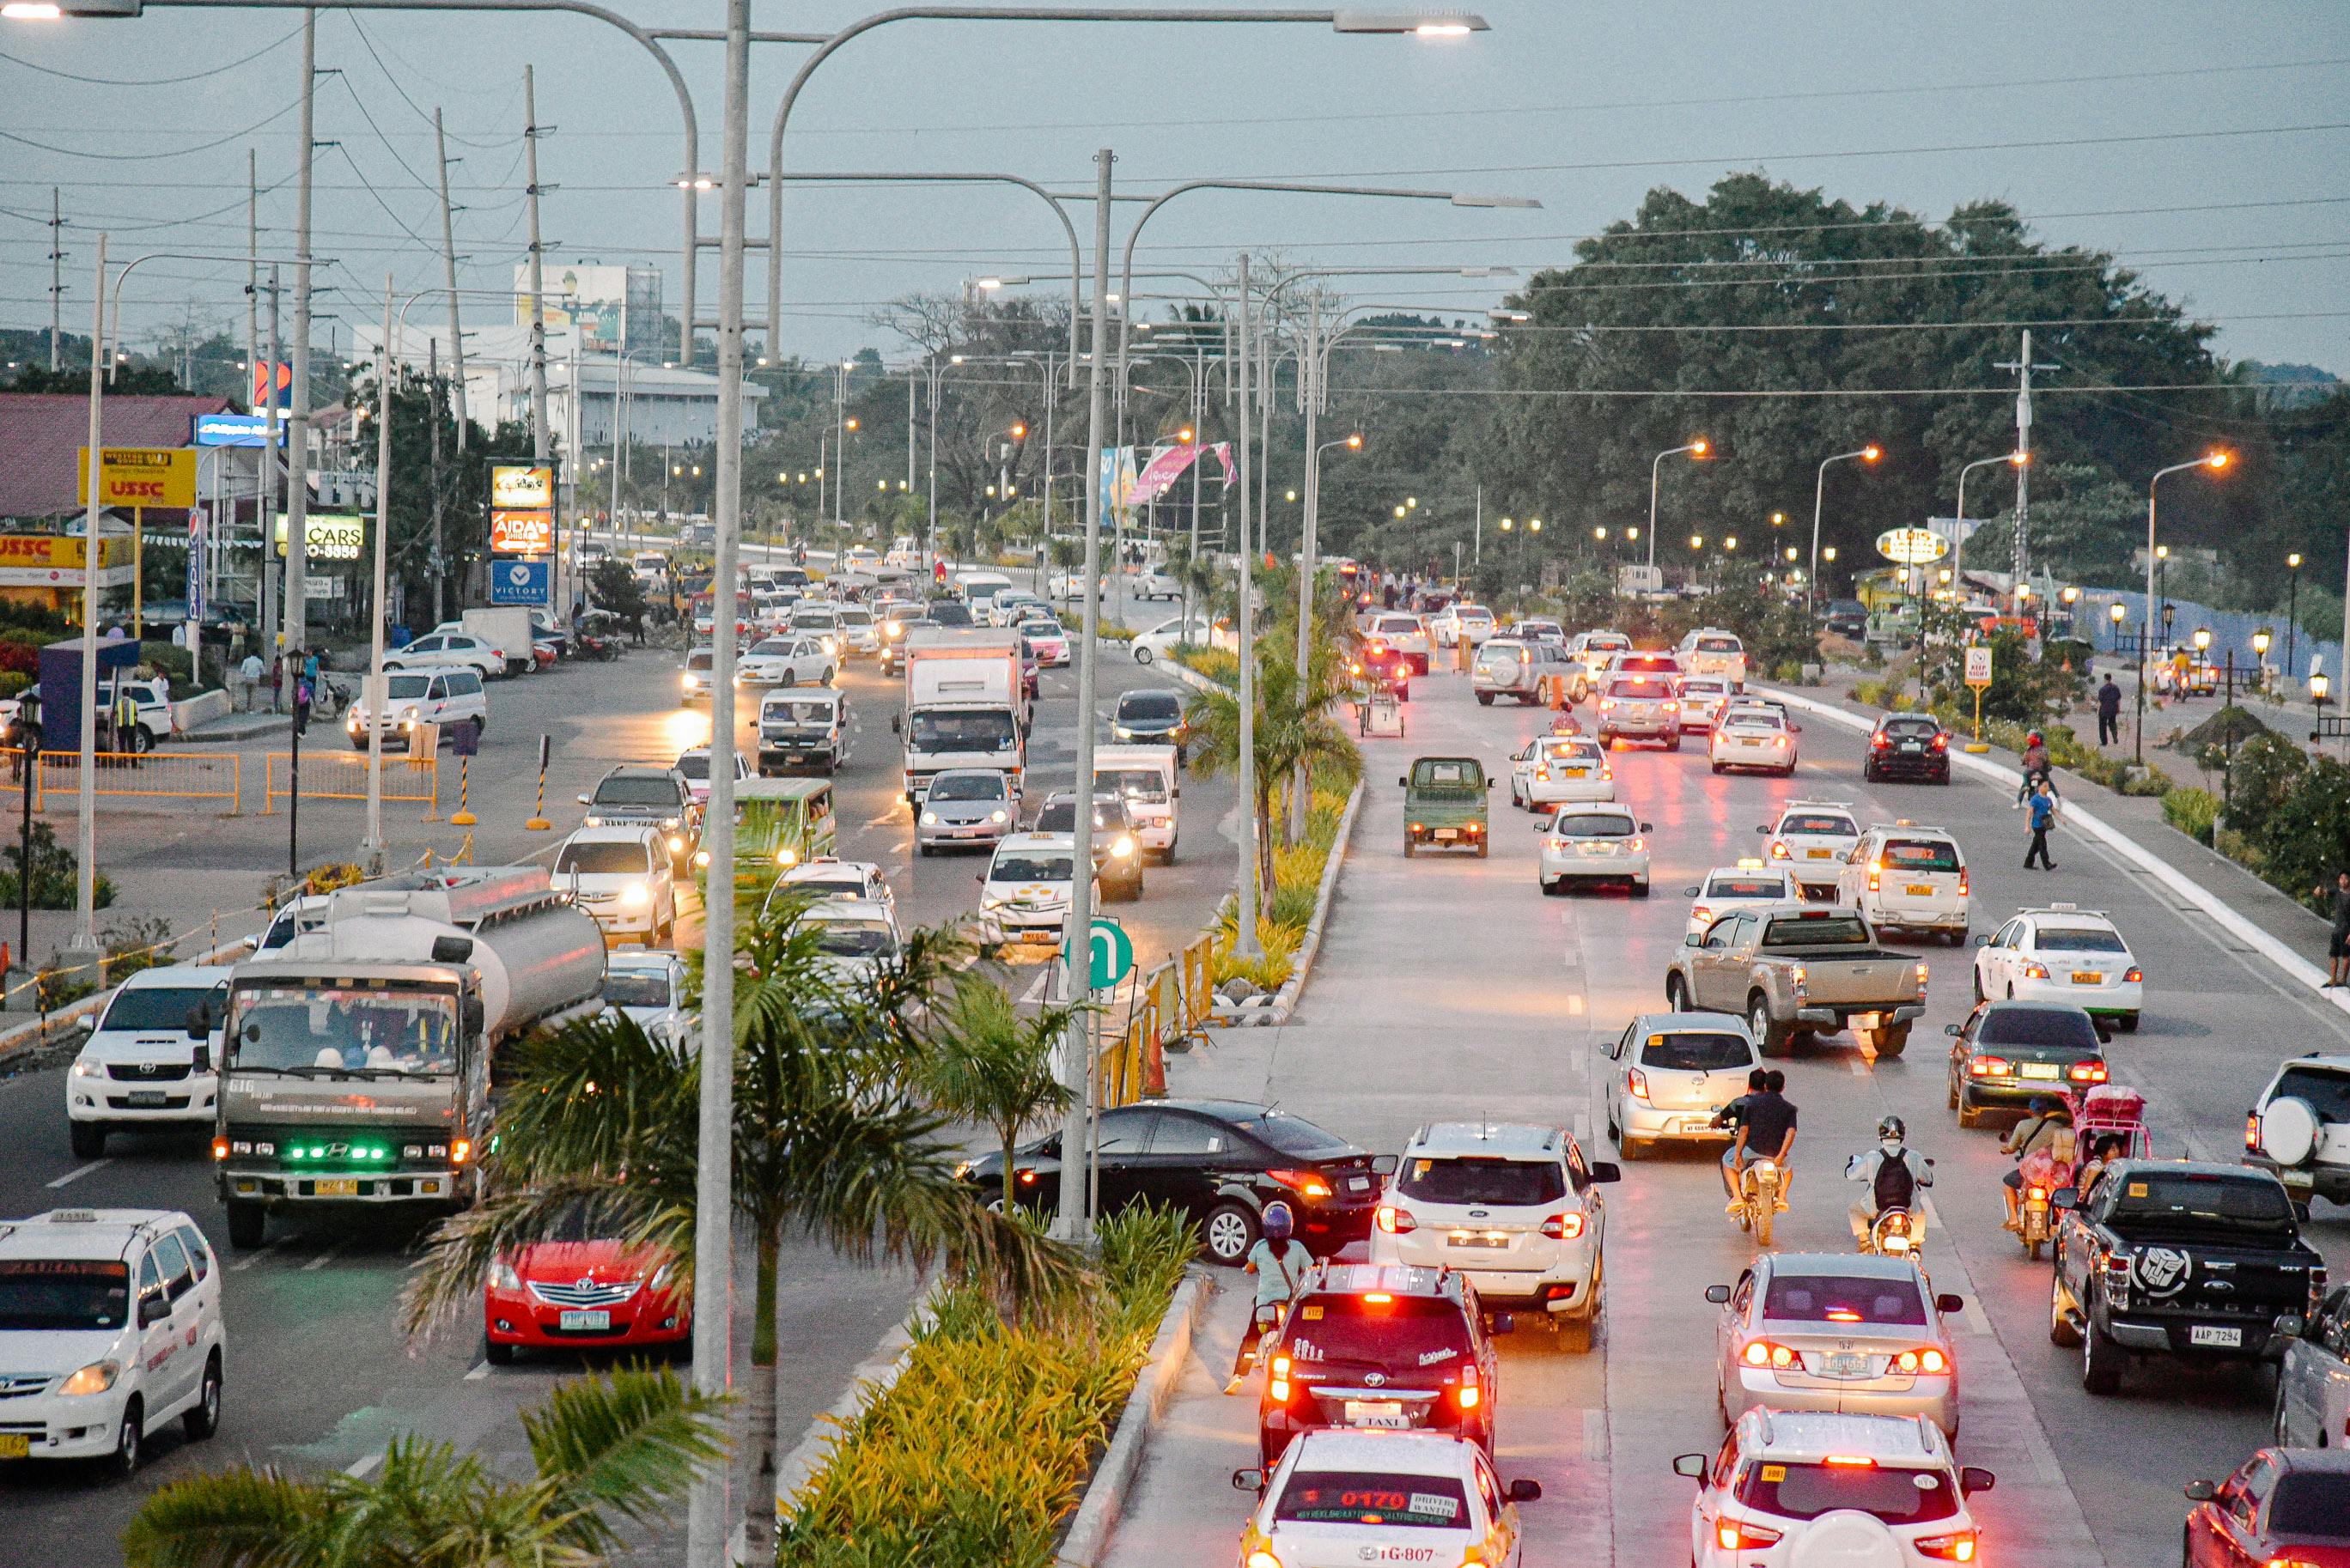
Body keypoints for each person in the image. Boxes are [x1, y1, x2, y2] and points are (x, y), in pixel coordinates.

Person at [1226, 1200, 1313, 1391]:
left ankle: (1237, 1376)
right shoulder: (1297, 1248)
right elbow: (1310, 1270)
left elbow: (1249, 1269)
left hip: (1264, 1305)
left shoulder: (1259, 1247)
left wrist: (1251, 1267)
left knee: (1251, 1337)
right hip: (1289, 1306)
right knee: (1294, 1339)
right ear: (1290, 1225)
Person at [1845, 1115, 1931, 1247]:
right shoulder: (1914, 1157)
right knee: (1920, 1213)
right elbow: (1928, 1180)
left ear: (1881, 1135)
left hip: (1876, 1208)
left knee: (1855, 1210)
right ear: (1902, 1134)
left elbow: (1851, 1175)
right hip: (1908, 1208)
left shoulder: (1872, 1158)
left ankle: (1865, 1242)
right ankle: (1915, 1246)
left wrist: (1853, 1163)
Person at [1729, 1068, 1799, 1213]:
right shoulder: (1789, 1108)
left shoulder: (1752, 1104)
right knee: (1788, 1172)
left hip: (1752, 1151)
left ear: (1765, 1086)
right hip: (1775, 1155)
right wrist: (1781, 1155)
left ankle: (1737, 1197)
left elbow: (1743, 1131)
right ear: (1782, 1088)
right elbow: (1791, 1133)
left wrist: (1737, 1155)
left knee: (1727, 1163)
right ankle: (1782, 1198)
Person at [2000, 1099, 2074, 1228]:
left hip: (2030, 1172)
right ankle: (2057, 1220)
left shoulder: (2023, 1125)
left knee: (2008, 1184)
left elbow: (2012, 1148)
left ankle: (2013, 1218)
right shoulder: (2057, 1126)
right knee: (2059, 1193)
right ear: (2047, 1112)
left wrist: (2005, 1149)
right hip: (2051, 1173)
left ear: (2030, 1111)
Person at [1713, 1068, 1769, 1202]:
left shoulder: (1739, 1103)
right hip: (1770, 1147)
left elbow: (1718, 1119)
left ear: (1749, 1085)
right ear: (1766, 1086)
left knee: (1726, 1161)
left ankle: (1735, 1196)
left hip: (1746, 1147)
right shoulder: (1772, 1104)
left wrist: (1714, 1123)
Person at [2075, 1133, 2128, 1204]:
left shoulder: (2110, 1165)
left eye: (2117, 1148)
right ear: (2103, 1153)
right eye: (2113, 1149)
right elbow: (2087, 1190)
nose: (2117, 1152)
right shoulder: (2095, 1166)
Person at [2318, 870, 2350, 988]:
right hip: (2337, 929)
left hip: (2347, 930)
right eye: (2341, 878)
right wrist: (2319, 890)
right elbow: (2323, 892)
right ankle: (2333, 978)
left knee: (2346, 955)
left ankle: (2343, 979)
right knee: (2333, 954)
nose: (2343, 881)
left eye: (2346, 879)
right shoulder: (2337, 891)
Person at [2024, 776, 2059, 871]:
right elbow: (2029, 813)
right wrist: (2027, 826)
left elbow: (2053, 810)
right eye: (2045, 786)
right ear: (2039, 787)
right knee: (2043, 845)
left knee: (2035, 845)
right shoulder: (2035, 799)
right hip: (2037, 825)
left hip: (2044, 824)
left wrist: (2061, 819)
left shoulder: (2048, 799)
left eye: (2047, 786)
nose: (2047, 788)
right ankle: (2046, 863)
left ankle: (2028, 862)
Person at [2097, 674, 2123, 746]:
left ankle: (2104, 741)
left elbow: (2100, 701)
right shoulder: (2116, 688)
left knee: (2102, 726)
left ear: (2105, 679)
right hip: (2113, 709)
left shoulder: (2102, 689)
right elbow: (2118, 699)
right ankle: (2115, 737)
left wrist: (2098, 711)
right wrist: (2119, 709)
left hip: (2104, 709)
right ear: (2111, 679)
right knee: (2112, 724)